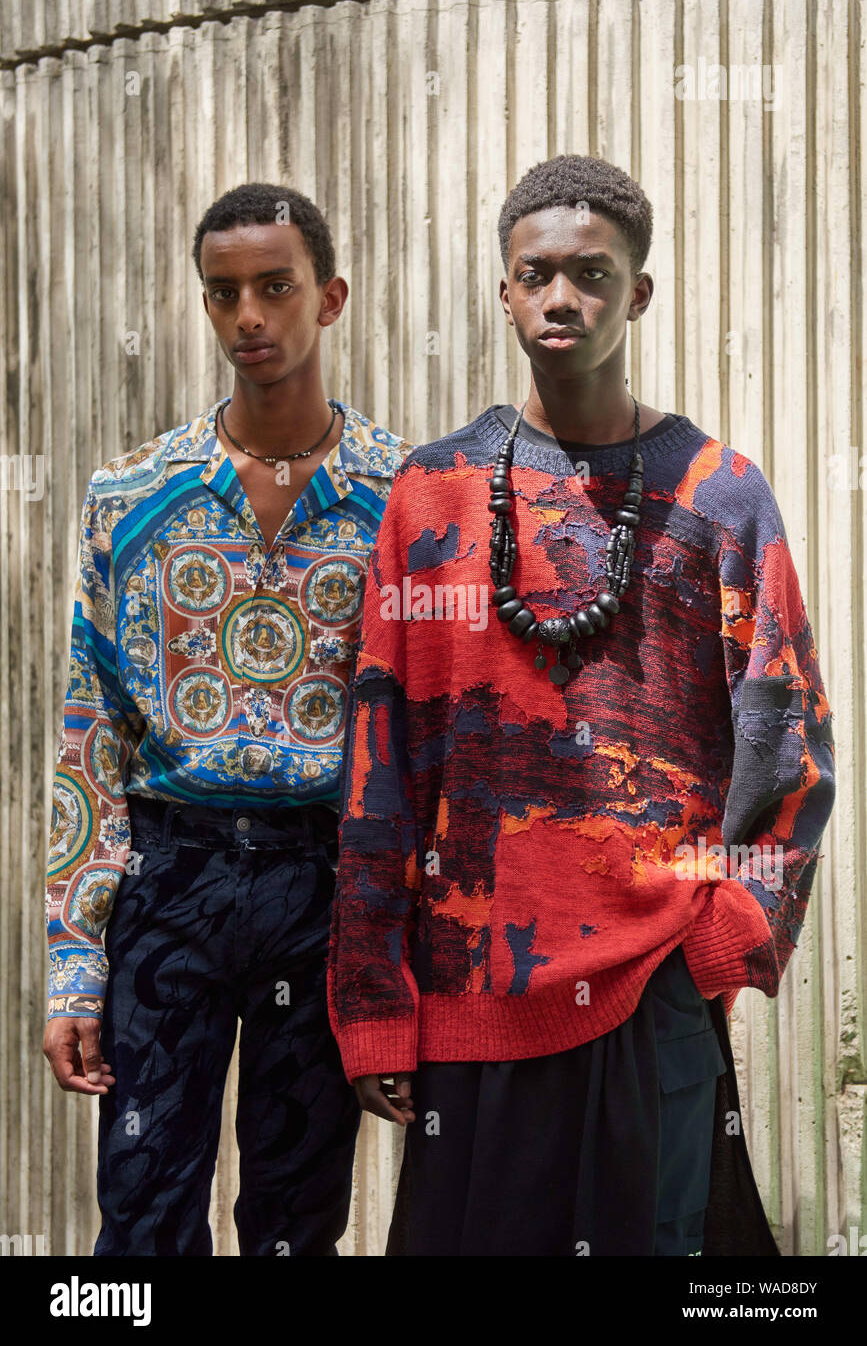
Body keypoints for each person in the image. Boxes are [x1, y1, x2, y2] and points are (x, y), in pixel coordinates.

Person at [327, 154, 836, 1256]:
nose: (563, 298)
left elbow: (789, 734)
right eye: (537, 273)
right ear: (504, 291)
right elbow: (381, 760)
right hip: (474, 999)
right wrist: (372, 995)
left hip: (655, 986)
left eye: (592, 274)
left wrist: (733, 931)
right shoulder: (431, 496)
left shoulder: (719, 491)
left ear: (638, 293)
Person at [42, 182, 413, 1256]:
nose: (249, 315)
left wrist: (402, 959)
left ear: (330, 298)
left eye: (275, 287)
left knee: (297, 1220)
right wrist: (75, 958)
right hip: (171, 878)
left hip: (325, 880)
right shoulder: (131, 496)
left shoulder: (407, 500)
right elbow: (89, 734)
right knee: (142, 1215)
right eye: (223, 294)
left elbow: (427, 743)